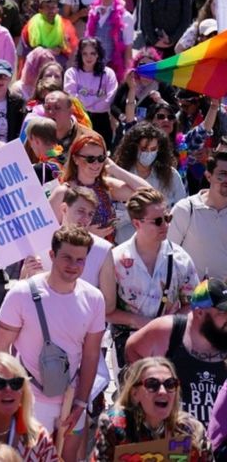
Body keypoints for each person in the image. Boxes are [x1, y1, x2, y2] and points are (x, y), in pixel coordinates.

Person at [0, 225, 106, 462]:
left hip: (70, 399)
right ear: (52, 256)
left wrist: (81, 403)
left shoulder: (94, 299)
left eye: (80, 260)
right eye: (67, 257)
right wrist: (10, 397)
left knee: (68, 457)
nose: (73, 265)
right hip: (29, 401)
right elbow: (0, 350)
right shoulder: (21, 294)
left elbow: (91, 355)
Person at [106, 187, 199, 366]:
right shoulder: (115, 259)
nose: (165, 225)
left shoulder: (180, 258)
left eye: (167, 218)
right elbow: (104, 311)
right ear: (136, 223)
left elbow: (192, 304)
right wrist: (138, 321)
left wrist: (169, 324)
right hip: (128, 346)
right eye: (157, 221)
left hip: (168, 347)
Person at [125, 277, 227, 428]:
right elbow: (132, 349)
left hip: (218, 441)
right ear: (199, 313)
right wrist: (148, 390)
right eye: (222, 312)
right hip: (174, 437)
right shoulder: (167, 330)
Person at [92, 357, 213, 461]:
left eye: (170, 384)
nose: (162, 391)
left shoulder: (191, 429)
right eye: (152, 384)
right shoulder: (114, 426)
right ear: (135, 393)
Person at [49, 133, 151, 235]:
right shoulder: (63, 192)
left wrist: (116, 169)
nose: (96, 164)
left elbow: (149, 194)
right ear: (75, 159)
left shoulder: (106, 186)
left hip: (108, 249)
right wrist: (86, 234)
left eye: (101, 158)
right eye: (90, 159)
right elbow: (46, 235)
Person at [21, 187, 116, 295]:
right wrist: (26, 272)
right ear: (64, 209)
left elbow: (108, 304)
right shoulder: (39, 241)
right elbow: (21, 287)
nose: (86, 219)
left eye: (90, 214)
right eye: (81, 211)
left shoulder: (103, 249)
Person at [112, 123, 187, 242]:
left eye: (153, 149)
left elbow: (182, 211)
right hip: (124, 246)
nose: (148, 153)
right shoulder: (118, 174)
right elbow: (110, 218)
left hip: (160, 246)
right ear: (133, 148)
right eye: (143, 149)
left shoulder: (171, 175)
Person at [168, 151, 227, 281]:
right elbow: (167, 254)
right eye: (222, 175)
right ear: (208, 176)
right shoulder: (185, 209)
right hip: (190, 296)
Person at [63, 38, 118, 147]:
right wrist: (98, 98)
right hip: (79, 119)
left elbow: (110, 99)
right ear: (80, 55)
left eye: (93, 53)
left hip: (101, 121)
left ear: (98, 55)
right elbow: (72, 98)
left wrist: (86, 101)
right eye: (85, 54)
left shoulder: (108, 73)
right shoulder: (71, 73)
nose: (89, 57)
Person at [84, 0, 134, 83]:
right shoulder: (93, 12)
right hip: (94, 67)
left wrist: (128, 73)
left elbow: (128, 48)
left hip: (114, 68)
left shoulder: (125, 16)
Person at [19, 0, 78, 68]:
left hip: (57, 64)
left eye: (53, 8)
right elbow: (25, 50)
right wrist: (46, 51)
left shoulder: (65, 25)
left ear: (57, 10)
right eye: (47, 8)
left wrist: (61, 48)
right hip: (35, 63)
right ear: (40, 11)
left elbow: (69, 46)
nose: (51, 11)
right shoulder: (30, 26)